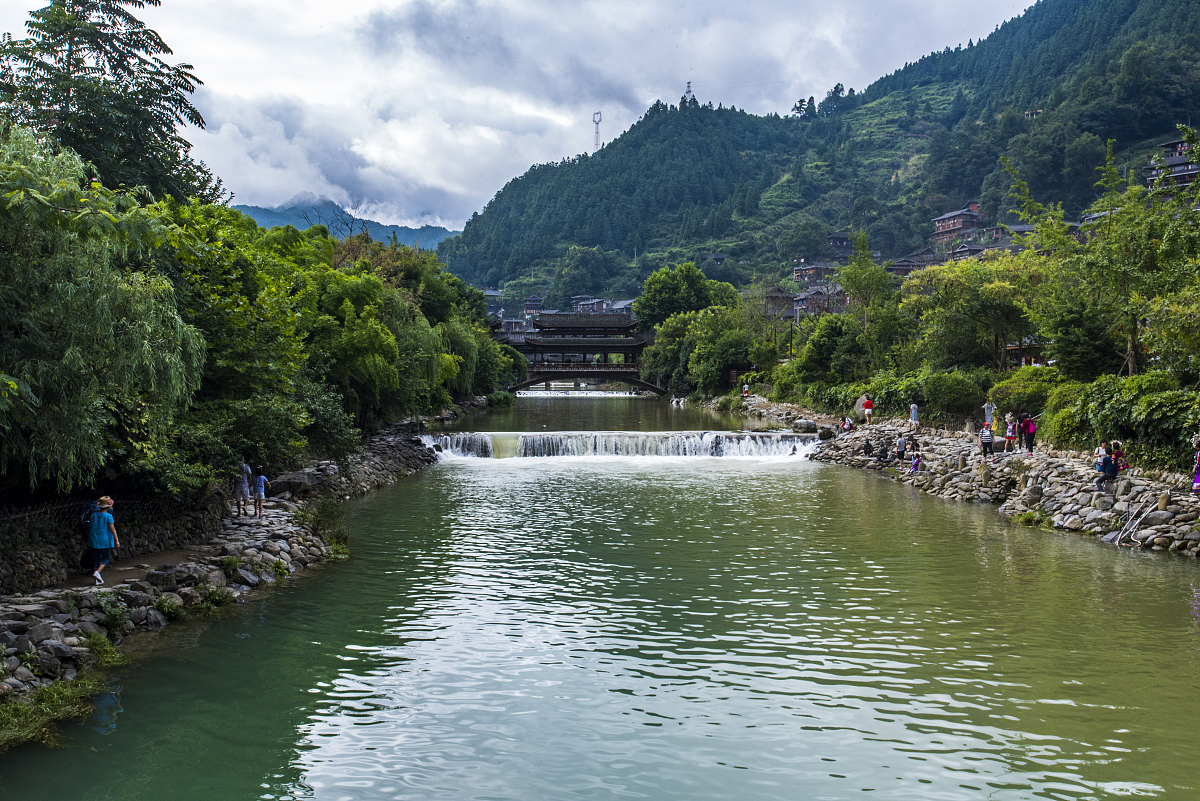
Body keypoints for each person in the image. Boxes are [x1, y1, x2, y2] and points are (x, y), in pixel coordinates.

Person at [89, 496, 119, 585]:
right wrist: (116, 540)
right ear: (109, 506)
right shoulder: (108, 516)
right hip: (105, 541)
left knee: (96, 558)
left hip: (94, 540)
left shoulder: (93, 515)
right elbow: (112, 529)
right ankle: (97, 572)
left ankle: (96, 579)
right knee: (106, 558)